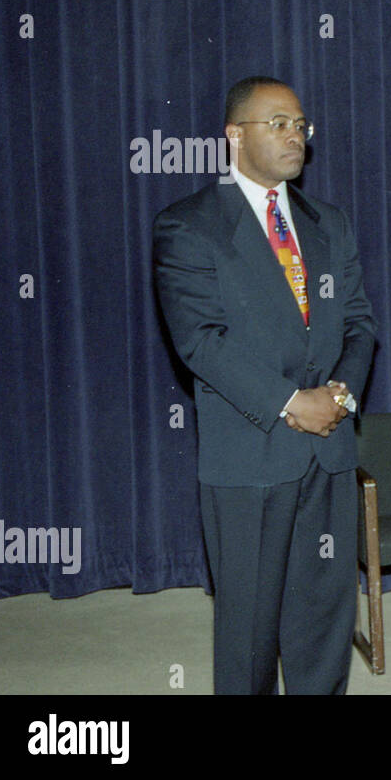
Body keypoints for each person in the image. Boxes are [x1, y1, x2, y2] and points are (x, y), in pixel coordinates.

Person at [153, 76, 376, 694]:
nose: (294, 136)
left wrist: (340, 396)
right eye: (277, 123)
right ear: (233, 135)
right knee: (249, 631)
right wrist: (289, 403)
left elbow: (359, 322)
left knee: (323, 622)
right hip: (249, 457)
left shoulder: (328, 222)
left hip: (326, 451)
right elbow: (201, 341)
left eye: (300, 125)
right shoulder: (188, 226)